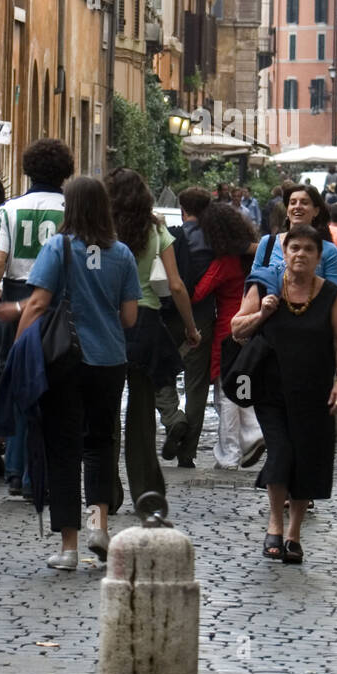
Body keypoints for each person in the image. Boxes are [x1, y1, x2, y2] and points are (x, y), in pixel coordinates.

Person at [14, 178, 140, 568]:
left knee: (63, 449)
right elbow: (130, 317)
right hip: (109, 361)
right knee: (100, 444)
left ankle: (69, 549)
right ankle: (98, 526)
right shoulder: (122, 254)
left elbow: (37, 303)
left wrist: (20, 350)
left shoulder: (59, 247)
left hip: (65, 362)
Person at [231, 225, 337, 564]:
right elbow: (236, 328)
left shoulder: (331, 295)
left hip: (314, 392)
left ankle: (294, 533)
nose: (300, 254)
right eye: (294, 248)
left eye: (308, 249)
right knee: (281, 452)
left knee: (306, 459)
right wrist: (263, 313)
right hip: (271, 391)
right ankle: (275, 524)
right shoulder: (266, 286)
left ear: (319, 257)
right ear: (284, 254)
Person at [0, 138, 74, 497]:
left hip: (16, 301)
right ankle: (36, 473)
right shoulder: (71, 210)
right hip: (58, 305)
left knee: (16, 381)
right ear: (65, 172)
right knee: (52, 388)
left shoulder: (10, 210)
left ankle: (14, 469)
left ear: (28, 170)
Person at [106, 168, 201, 507]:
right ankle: (146, 490)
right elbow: (175, 285)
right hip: (146, 323)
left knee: (106, 411)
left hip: (109, 323)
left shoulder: (102, 230)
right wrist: (191, 327)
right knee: (142, 414)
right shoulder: (156, 229)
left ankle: (107, 492)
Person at [191, 201, 265, 470]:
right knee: (243, 384)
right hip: (255, 326)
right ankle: (251, 434)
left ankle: (231, 452)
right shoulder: (255, 258)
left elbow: (199, 292)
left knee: (226, 392)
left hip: (228, 328)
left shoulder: (225, 263)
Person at [154, 186, 215, 467]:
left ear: (182, 210)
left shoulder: (171, 236)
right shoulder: (217, 240)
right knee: (197, 384)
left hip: (169, 314)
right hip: (202, 315)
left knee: (160, 372)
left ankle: (173, 418)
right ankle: (187, 451)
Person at [248, 184, 337, 289]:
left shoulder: (329, 250)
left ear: (316, 211)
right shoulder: (268, 243)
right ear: (287, 210)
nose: (297, 206)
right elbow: (252, 286)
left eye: (304, 203)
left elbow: (334, 293)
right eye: (292, 203)